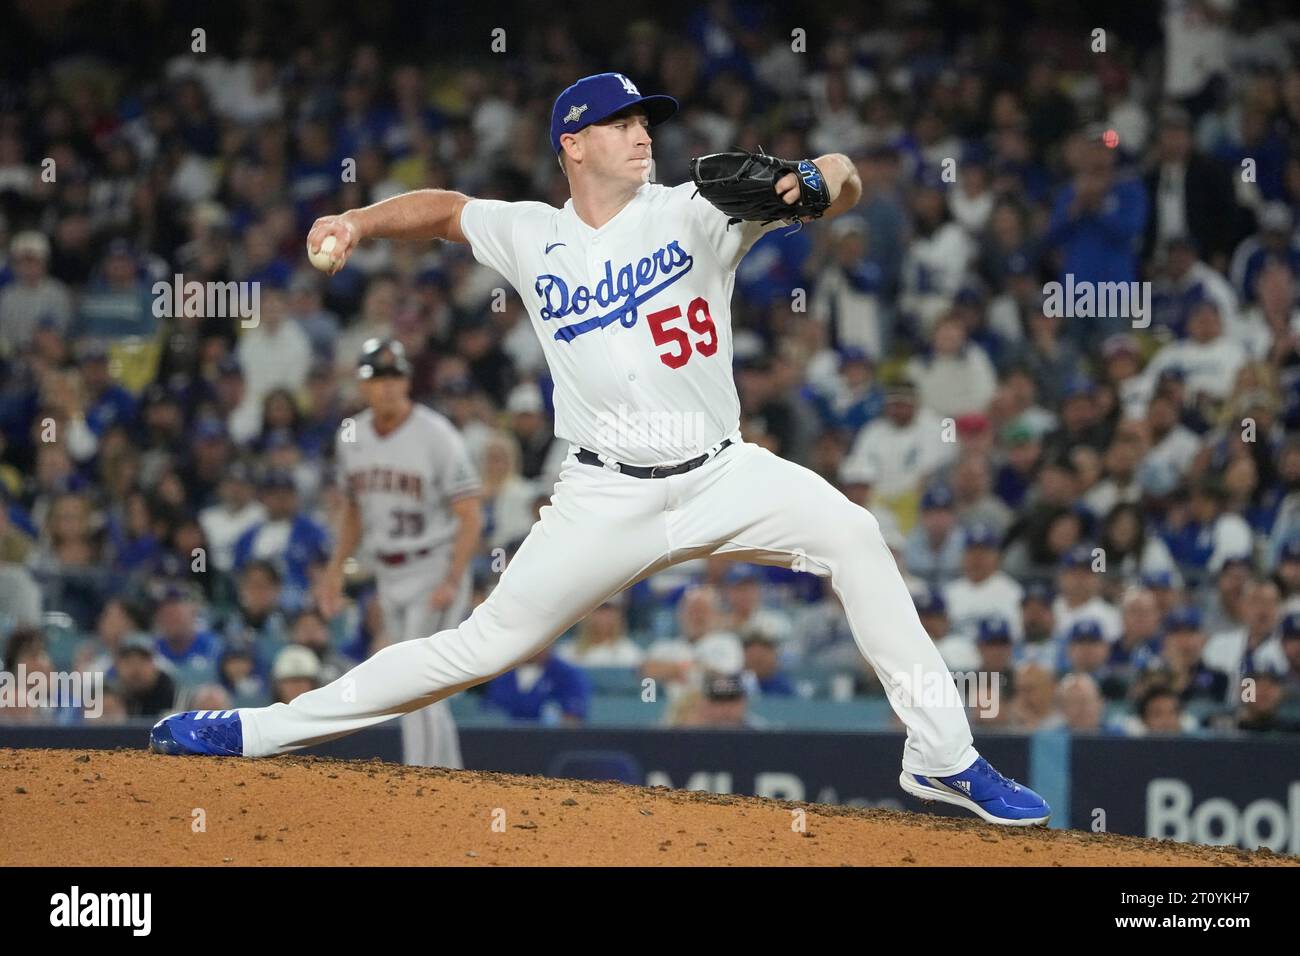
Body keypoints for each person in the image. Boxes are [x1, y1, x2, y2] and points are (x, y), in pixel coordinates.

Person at [151, 72, 1049, 826]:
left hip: (725, 473)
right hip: (603, 497)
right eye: (620, 124)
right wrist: (356, 219)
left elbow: (845, 178)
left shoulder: (699, 208)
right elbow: (444, 211)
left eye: (644, 121)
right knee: (475, 649)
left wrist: (816, 183)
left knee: (854, 536)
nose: (641, 134)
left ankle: (943, 757)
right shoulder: (533, 234)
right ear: (572, 144)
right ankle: (253, 732)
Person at [314, 337, 483, 768]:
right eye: (377, 378)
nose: (386, 387)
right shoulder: (351, 436)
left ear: (407, 381)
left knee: (414, 679)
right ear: (363, 385)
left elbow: (470, 516)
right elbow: (353, 509)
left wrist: (452, 578)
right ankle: (447, 778)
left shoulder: (437, 435)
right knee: (426, 687)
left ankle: (421, 781)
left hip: (433, 563)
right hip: (388, 572)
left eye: (394, 377)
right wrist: (335, 570)